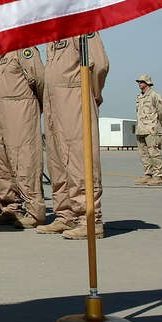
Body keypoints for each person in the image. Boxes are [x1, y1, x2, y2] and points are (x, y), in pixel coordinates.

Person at [38, 33, 108, 239]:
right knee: (57, 161)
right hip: (54, 102)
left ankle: (89, 219)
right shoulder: (52, 38)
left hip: (75, 97)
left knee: (79, 159)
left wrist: (91, 94)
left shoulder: (82, 29)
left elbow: (100, 64)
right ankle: (65, 214)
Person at [0, 48, 45, 228]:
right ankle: (10, 208)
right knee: (1, 163)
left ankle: (35, 211)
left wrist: (34, 107)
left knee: (24, 161)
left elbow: (40, 81)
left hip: (21, 109)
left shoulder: (24, 49)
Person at [134, 75, 162, 187]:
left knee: (154, 153)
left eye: (142, 82)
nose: (139, 83)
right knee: (143, 154)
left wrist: (157, 124)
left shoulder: (155, 95)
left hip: (151, 129)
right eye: (139, 82)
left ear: (148, 83)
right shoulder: (139, 97)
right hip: (141, 129)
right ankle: (148, 174)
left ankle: (158, 176)